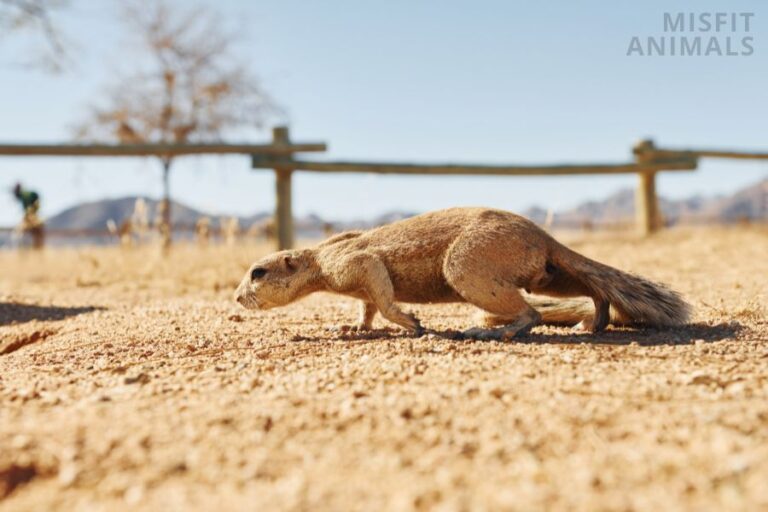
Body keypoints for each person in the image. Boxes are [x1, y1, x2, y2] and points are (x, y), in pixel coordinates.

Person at [12, 183, 44, 249]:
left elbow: (28, 210)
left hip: (31, 217)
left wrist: (28, 216)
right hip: (32, 216)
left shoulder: (24, 196)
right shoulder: (26, 194)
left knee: (19, 233)